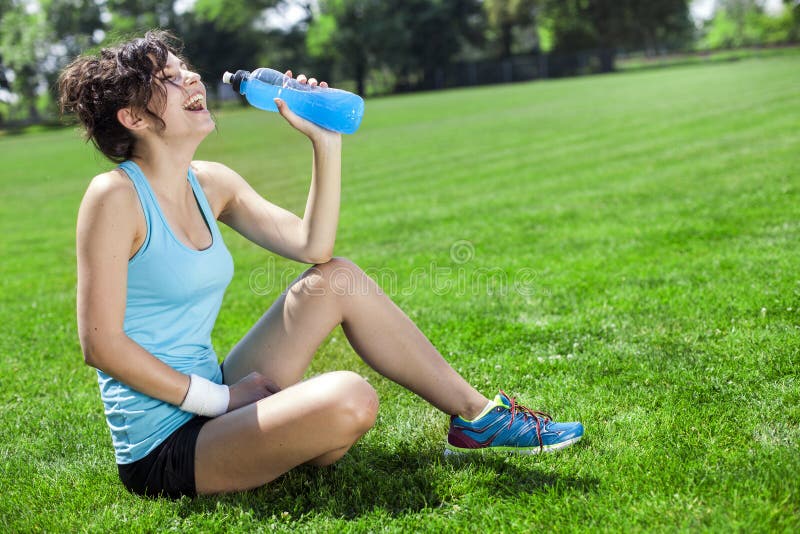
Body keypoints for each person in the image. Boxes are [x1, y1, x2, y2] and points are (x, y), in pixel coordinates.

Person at [59, 31, 584, 499]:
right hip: (166, 446)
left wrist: (323, 140)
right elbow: (100, 345)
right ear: (132, 117)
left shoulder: (211, 182)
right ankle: (284, 441)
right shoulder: (113, 197)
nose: (189, 76)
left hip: (217, 397)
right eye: (168, 78)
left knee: (337, 279)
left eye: (183, 67)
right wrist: (221, 399)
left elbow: (315, 246)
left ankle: (478, 419)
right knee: (350, 399)